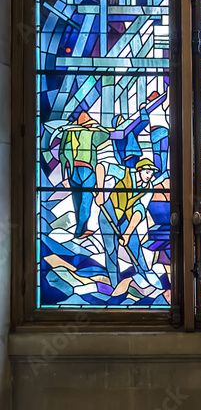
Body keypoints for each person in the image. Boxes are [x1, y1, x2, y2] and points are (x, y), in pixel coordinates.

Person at [98, 157, 162, 289]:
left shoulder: (148, 188)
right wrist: (100, 192)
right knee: (111, 250)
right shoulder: (125, 173)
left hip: (126, 218)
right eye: (147, 172)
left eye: (151, 174)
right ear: (139, 170)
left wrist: (127, 234)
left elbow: (139, 212)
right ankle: (115, 283)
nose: (149, 176)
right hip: (109, 213)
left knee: (135, 246)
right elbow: (101, 166)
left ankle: (144, 274)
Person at [58, 111, 110, 238]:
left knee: (78, 202)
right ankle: (80, 230)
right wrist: (97, 126)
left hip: (73, 170)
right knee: (84, 201)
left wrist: (64, 176)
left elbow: (61, 154)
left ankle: (80, 229)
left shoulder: (69, 133)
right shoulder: (90, 133)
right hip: (85, 170)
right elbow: (106, 135)